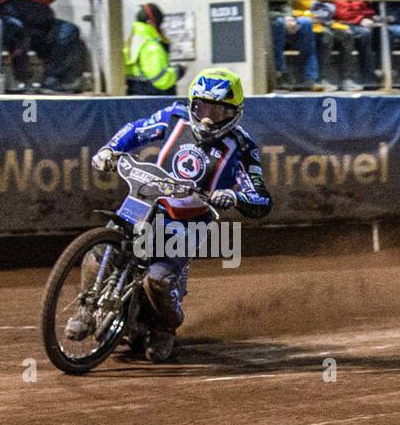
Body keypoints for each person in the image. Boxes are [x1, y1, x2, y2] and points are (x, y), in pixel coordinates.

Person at [71, 69, 272, 363]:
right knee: (100, 250)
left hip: (188, 220)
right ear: (191, 105)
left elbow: (262, 197)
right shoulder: (174, 116)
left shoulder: (242, 148)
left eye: (217, 112)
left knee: (158, 280)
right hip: (148, 198)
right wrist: (110, 150)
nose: (206, 119)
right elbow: (136, 129)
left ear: (235, 113)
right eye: (202, 108)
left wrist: (236, 196)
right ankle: (85, 308)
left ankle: (165, 327)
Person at [239, 0, 322, 90]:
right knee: (277, 24)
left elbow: (285, 2)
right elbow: (252, 7)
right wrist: (282, 18)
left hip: (280, 18)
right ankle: (279, 74)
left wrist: (289, 16)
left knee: (306, 23)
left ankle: (310, 78)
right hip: (257, 22)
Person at [316, 0, 378, 90]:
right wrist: (360, 19)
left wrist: (368, 17)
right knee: (351, 34)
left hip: (355, 22)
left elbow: (364, 4)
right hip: (334, 22)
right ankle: (346, 79)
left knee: (373, 32)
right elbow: (339, 9)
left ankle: (369, 78)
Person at [124, 3, 185, 95]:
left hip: (135, 97)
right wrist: (178, 71)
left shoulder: (133, 40)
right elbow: (162, 80)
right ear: (151, 22)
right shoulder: (151, 48)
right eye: (160, 23)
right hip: (153, 100)